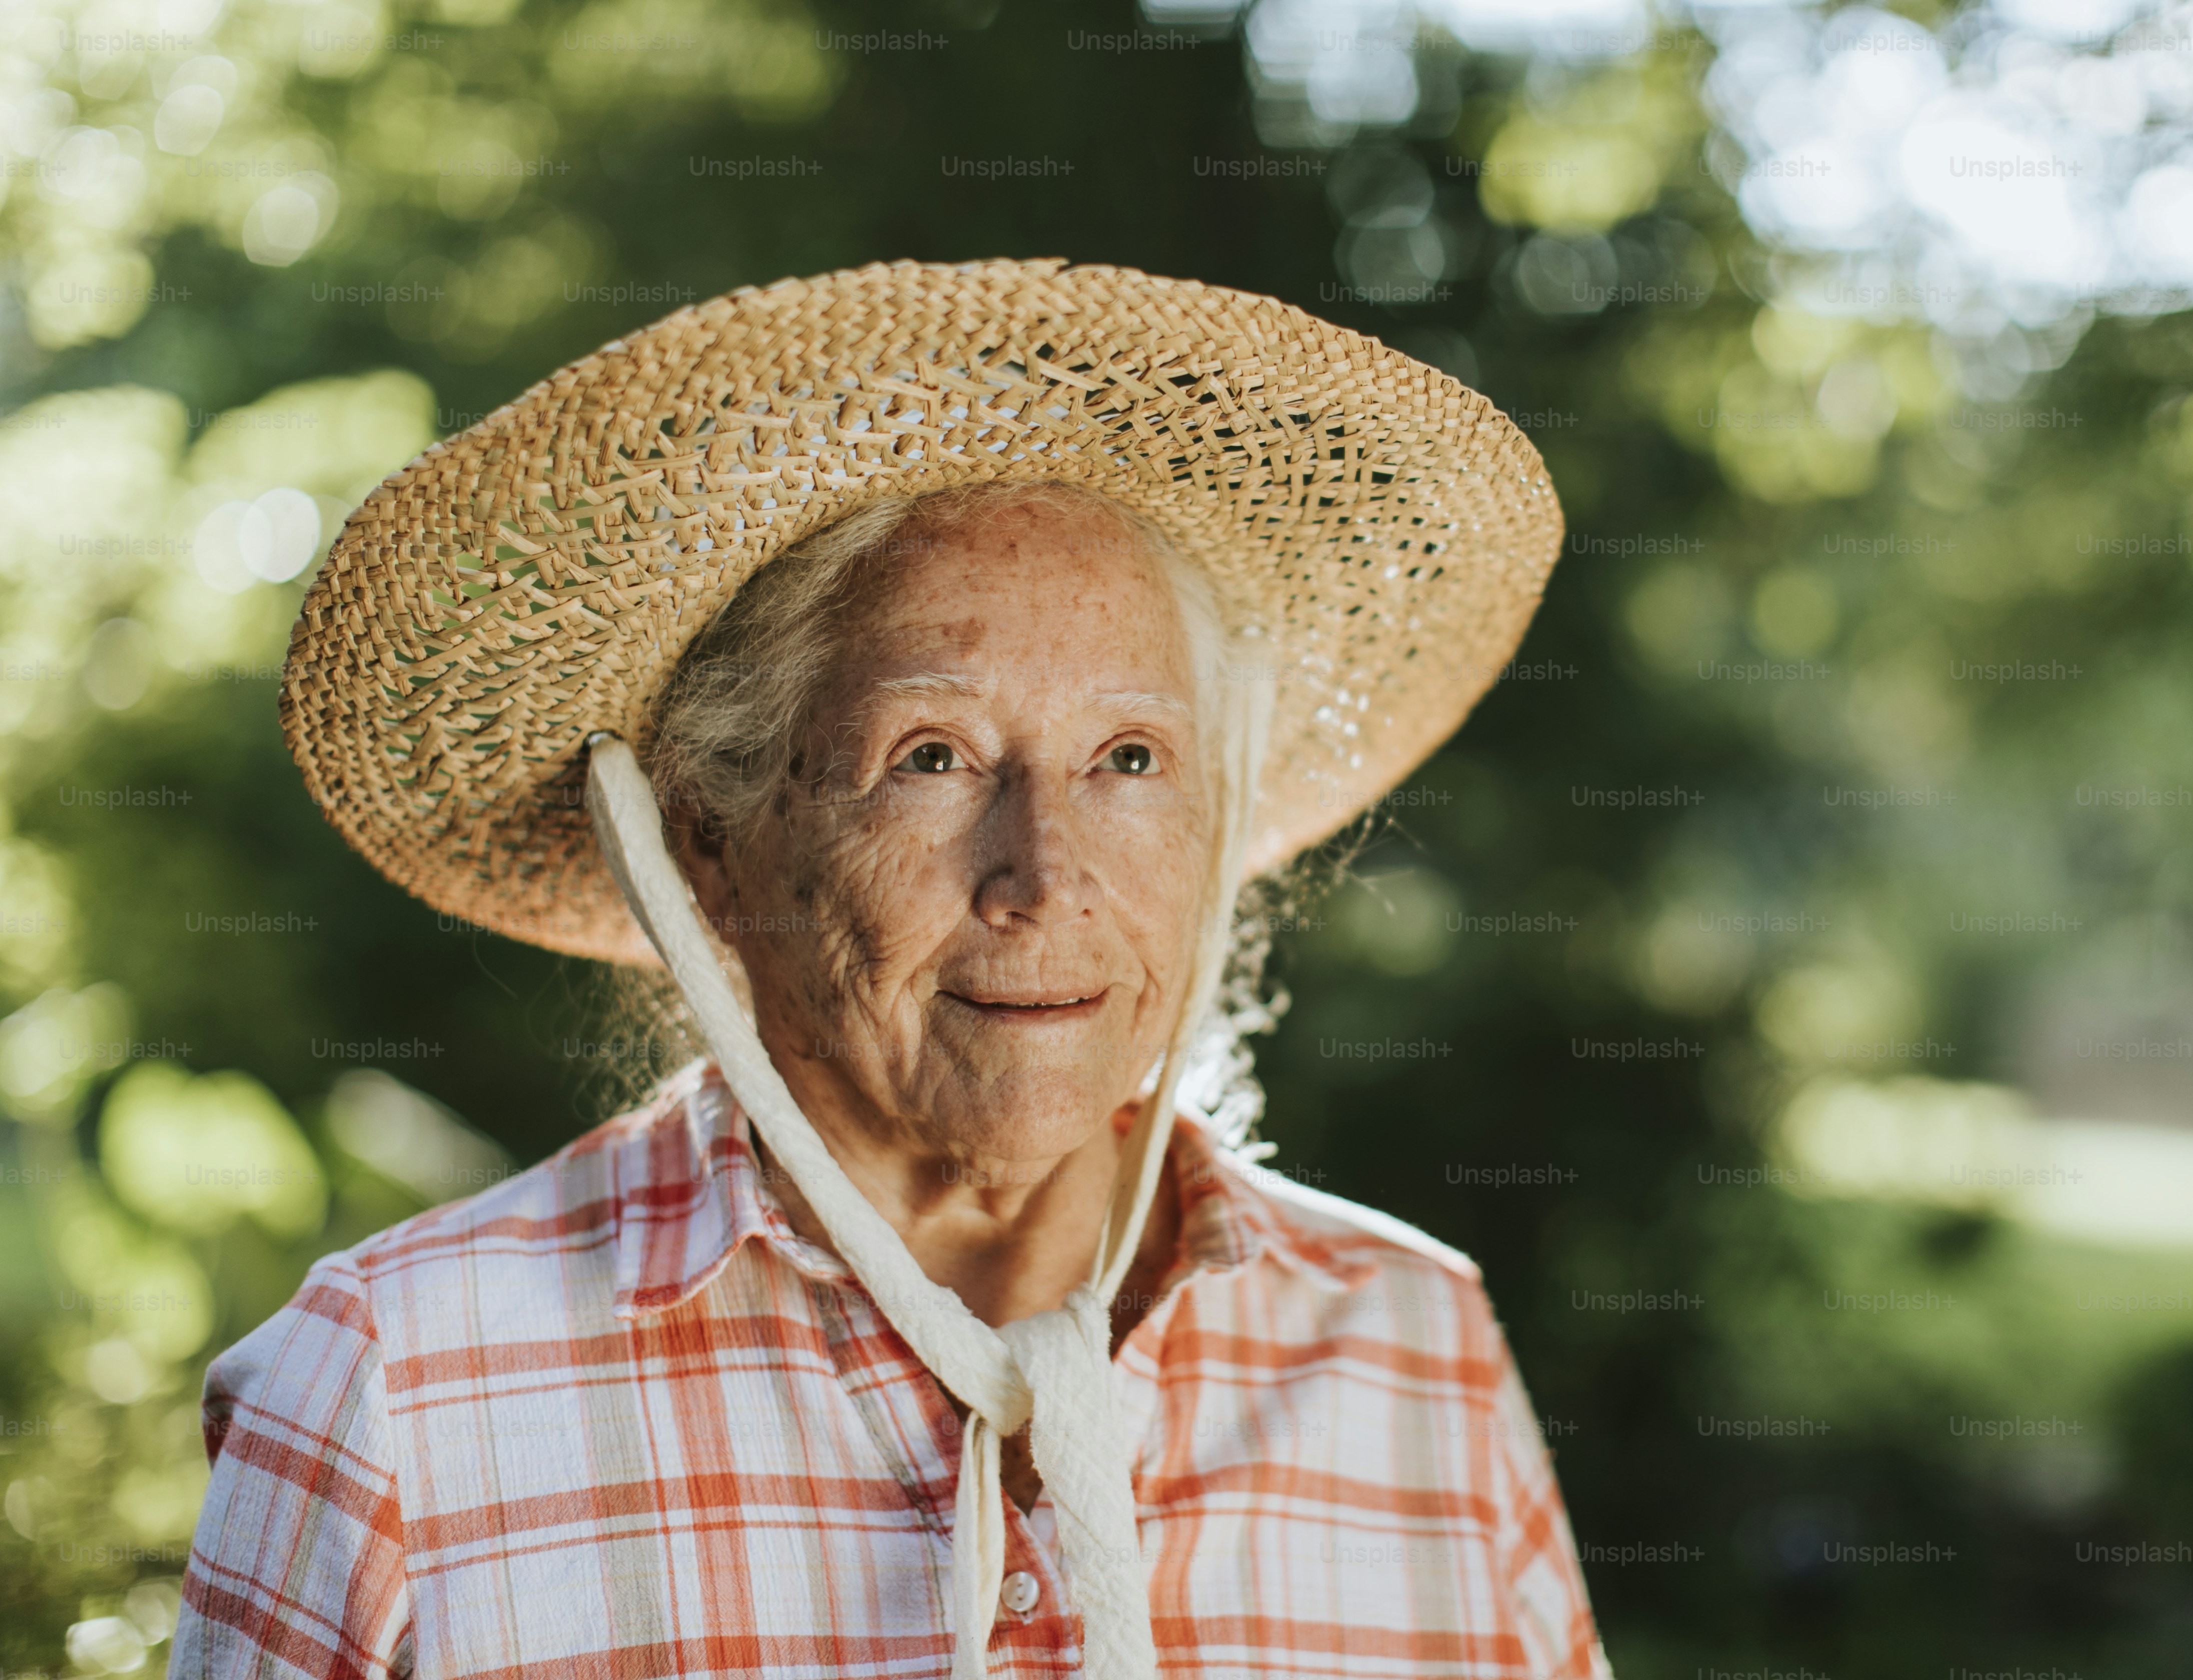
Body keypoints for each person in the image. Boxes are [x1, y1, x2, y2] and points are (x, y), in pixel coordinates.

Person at [173, 259, 1603, 1679]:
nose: (1042, 881)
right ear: (710, 852)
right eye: (932, 758)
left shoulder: (1415, 1342)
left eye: (1128, 760)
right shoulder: (393, 1391)